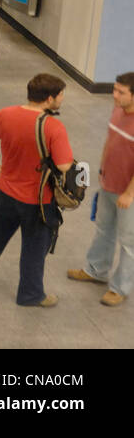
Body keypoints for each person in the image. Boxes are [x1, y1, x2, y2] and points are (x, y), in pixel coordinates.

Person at [0, 73, 73, 307]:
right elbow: (64, 165)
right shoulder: (53, 127)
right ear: (49, 99)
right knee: (34, 247)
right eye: (61, 95)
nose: (62, 99)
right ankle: (30, 294)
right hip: (37, 200)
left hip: (5, 190)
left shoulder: (6, 114)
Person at [68, 72, 134, 306]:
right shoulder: (117, 110)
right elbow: (110, 140)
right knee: (104, 229)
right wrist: (102, 168)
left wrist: (129, 193)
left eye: (120, 92)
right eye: (115, 89)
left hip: (129, 193)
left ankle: (120, 288)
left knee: (128, 242)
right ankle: (96, 270)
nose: (114, 95)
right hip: (109, 182)